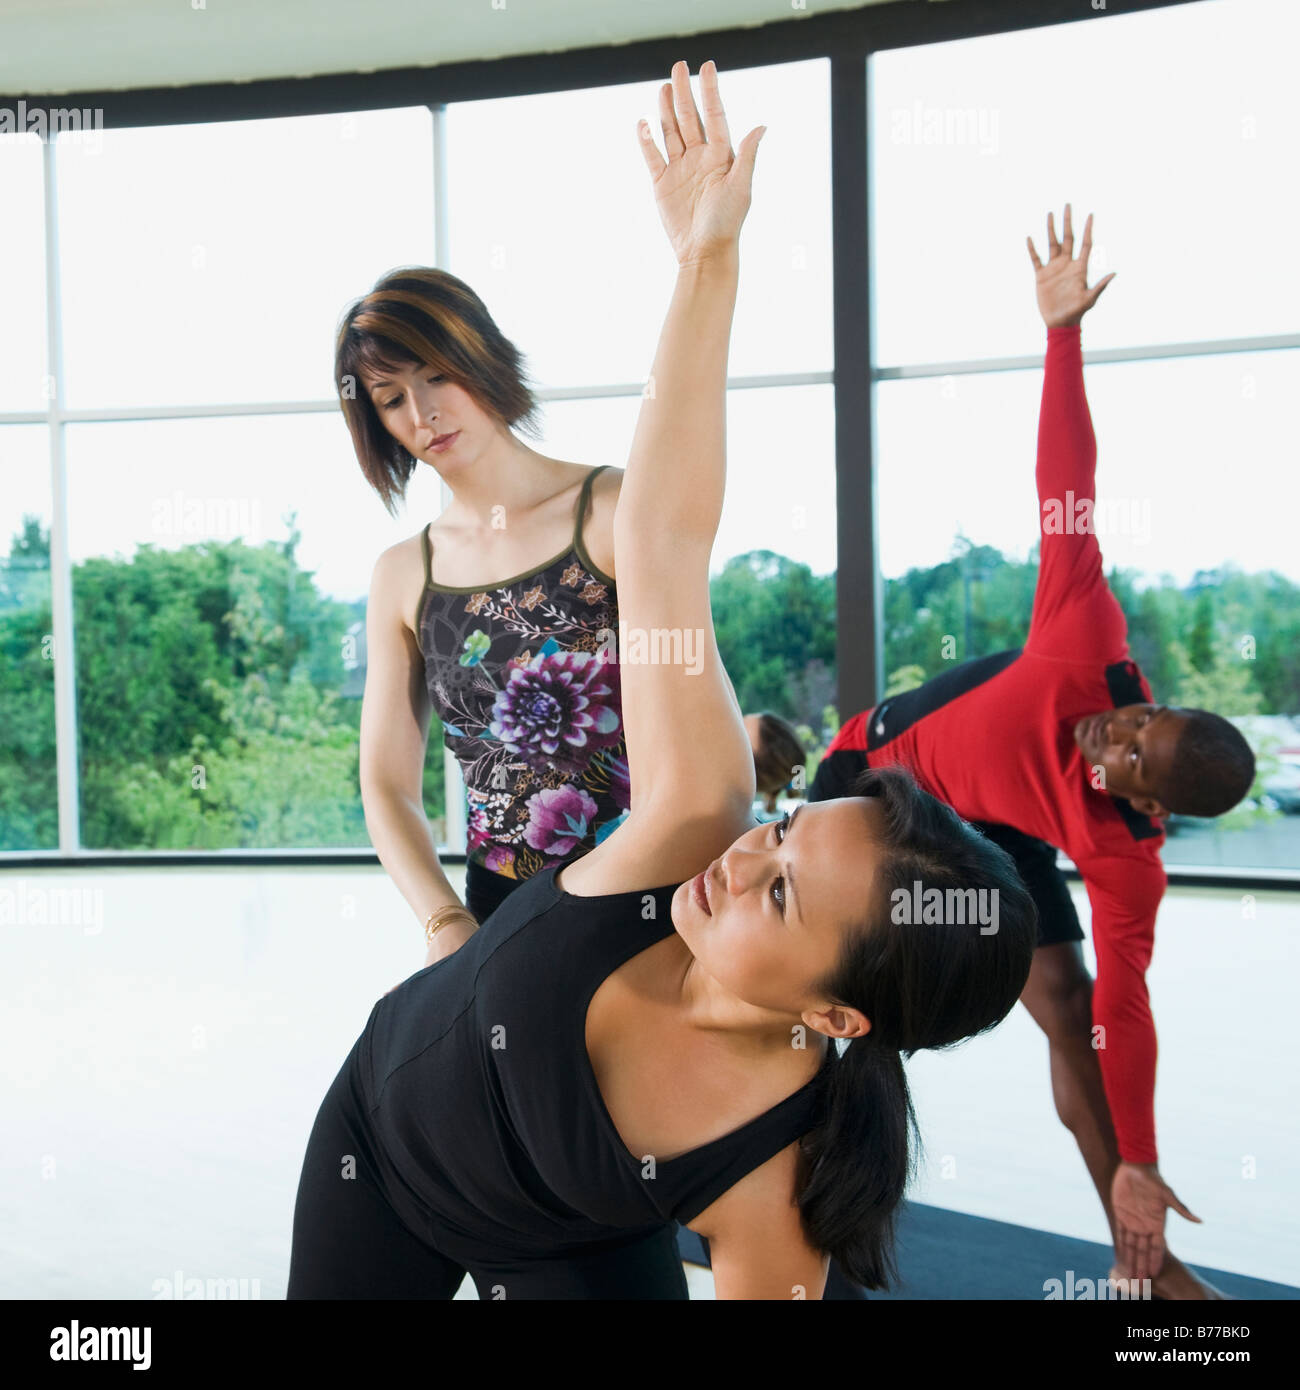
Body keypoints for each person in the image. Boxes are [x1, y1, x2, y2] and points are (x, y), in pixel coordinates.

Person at [288, 59, 1037, 1301]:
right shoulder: (693, 828)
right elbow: (667, 552)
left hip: (565, 1192)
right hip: (410, 1095)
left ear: (837, 1018)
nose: (745, 851)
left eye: (784, 888)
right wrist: (706, 262)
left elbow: (646, 528)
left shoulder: (775, 1173)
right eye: (782, 830)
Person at [798, 207, 1255, 1300]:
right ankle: (791, 1189)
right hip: (873, 782)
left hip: (998, 824)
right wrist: (1060, 335)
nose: (1116, 734)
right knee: (860, 995)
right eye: (1142, 719)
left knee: (1067, 995)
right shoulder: (1085, 644)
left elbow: (1124, 1011)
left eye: (1131, 756)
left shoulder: (1121, 856)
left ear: (1144, 803)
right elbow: (1066, 487)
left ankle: (1140, 1246)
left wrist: (1142, 1151)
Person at [336, 263, 626, 944]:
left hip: (646, 891)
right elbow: (386, 785)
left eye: (437, 374)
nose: (423, 412)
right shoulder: (406, 574)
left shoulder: (612, 511)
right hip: (498, 913)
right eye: (391, 398)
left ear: (481, 355)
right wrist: (444, 921)